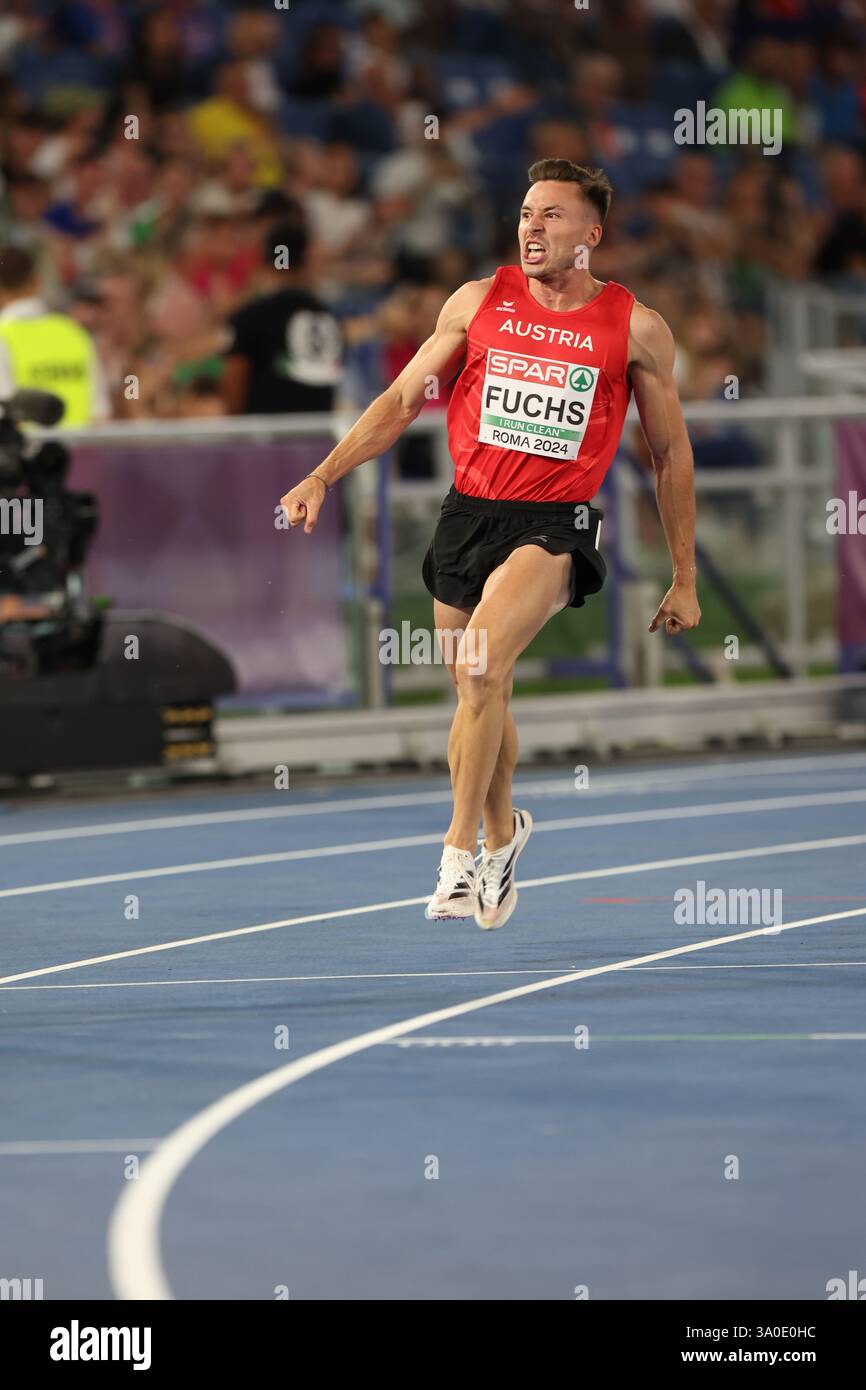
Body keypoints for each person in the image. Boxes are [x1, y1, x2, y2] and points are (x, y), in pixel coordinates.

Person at [279, 159, 701, 930]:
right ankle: (506, 832)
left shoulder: (634, 326)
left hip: (554, 525)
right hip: (467, 516)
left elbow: (670, 455)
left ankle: (457, 855)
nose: (533, 226)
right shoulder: (477, 302)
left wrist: (684, 575)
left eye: (552, 215)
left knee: (478, 666)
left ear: (591, 234)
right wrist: (322, 476)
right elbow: (403, 399)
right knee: (479, 689)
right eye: (526, 212)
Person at [222, 220, 343, 415]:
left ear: (264, 260)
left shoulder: (249, 318)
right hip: (320, 434)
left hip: (266, 437)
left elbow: (234, 385)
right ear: (306, 259)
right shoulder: (328, 316)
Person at [0, 245, 109, 424]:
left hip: (25, 450)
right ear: (36, 282)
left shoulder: (3, 336)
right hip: (80, 449)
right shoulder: (75, 333)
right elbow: (101, 412)